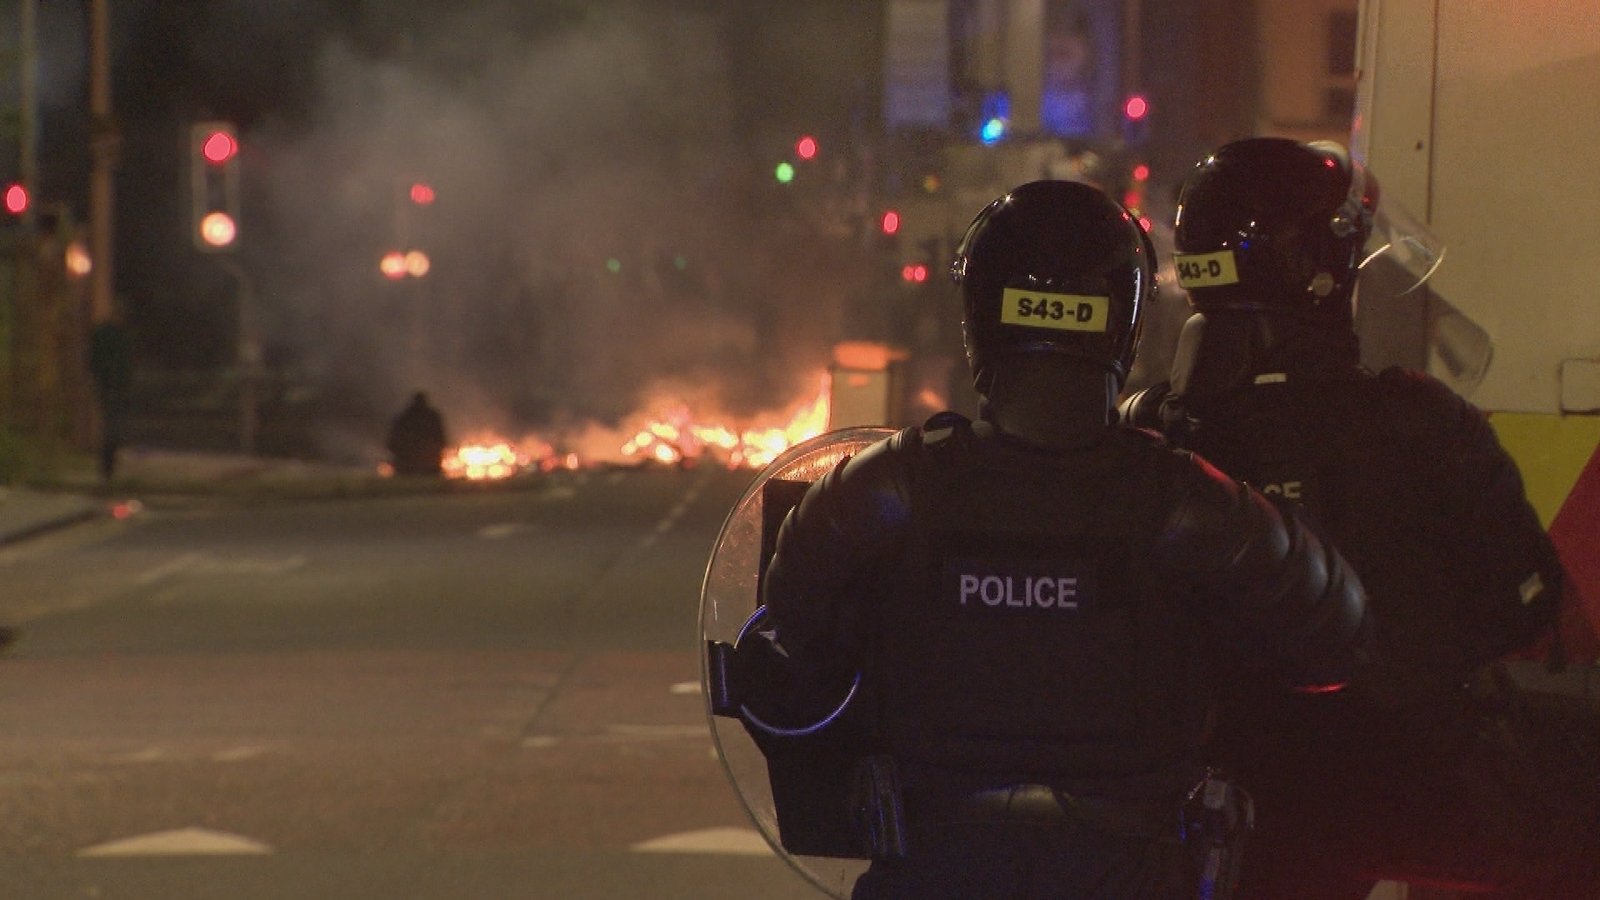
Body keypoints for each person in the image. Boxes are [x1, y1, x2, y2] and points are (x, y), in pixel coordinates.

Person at [753, 180, 1371, 899]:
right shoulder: (1190, 501)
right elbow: (1340, 640)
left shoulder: (879, 491)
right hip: (1136, 878)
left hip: (931, 871)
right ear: (1125, 321)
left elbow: (784, 672)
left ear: (980, 314)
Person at [1121, 137, 1597, 898]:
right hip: (1410, 823)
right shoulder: (1421, 425)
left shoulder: (1144, 435)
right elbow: (1545, 633)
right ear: (1316, 265)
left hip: (1210, 827)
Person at [87, 313, 134, 482]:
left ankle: (107, 468)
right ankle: (108, 468)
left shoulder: (107, 335)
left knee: (111, 425)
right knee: (113, 427)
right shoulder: (117, 336)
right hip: (113, 387)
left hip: (107, 386)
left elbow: (93, 360)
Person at [385, 391, 449, 477]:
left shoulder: (403, 418)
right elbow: (441, 439)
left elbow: (393, 441)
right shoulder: (432, 417)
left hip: (407, 462)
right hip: (427, 461)